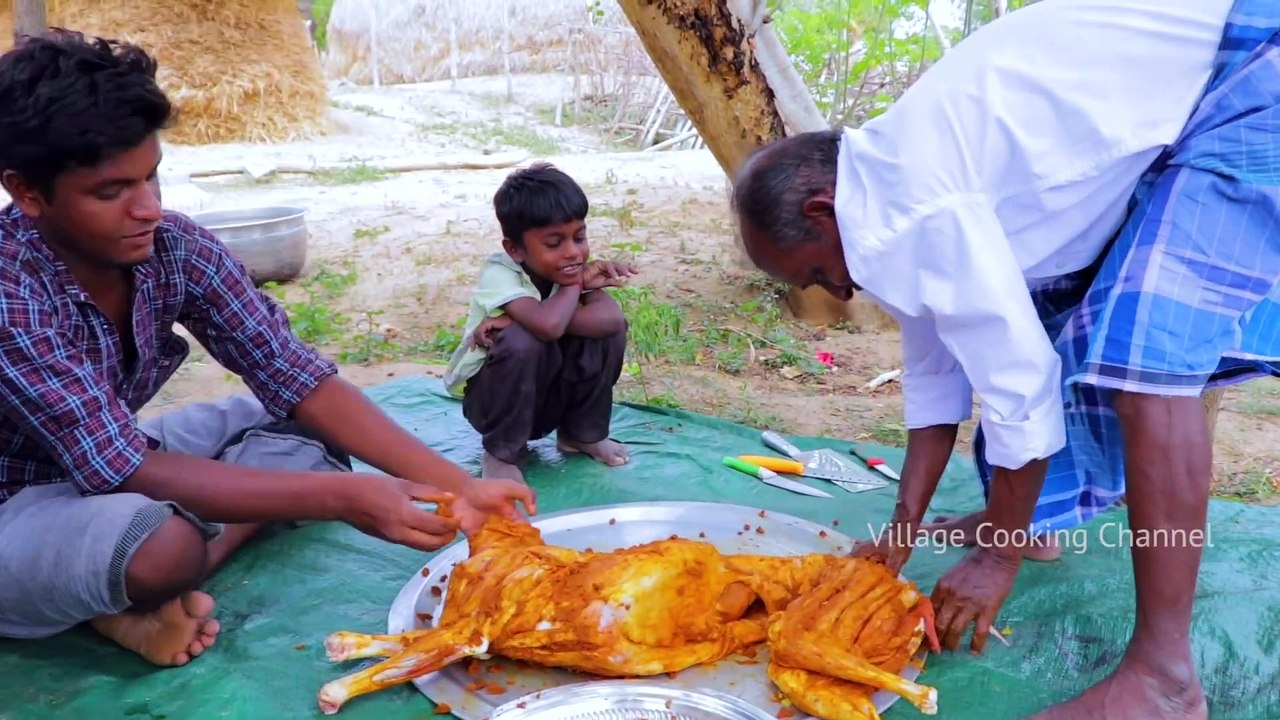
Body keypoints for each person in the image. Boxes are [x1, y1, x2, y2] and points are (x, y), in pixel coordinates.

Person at [728, 0, 1280, 717]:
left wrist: (997, 558)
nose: (832, 290)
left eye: (813, 272)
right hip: (1189, 97)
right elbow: (937, 379)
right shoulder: (890, 192)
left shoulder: (912, 205)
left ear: (821, 212)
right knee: (1051, 321)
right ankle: (1026, 519)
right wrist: (902, 529)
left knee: (1146, 364)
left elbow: (1020, 387)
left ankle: (1166, 679)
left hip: (1249, 70)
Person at [0, 31, 535, 669]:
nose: (147, 208)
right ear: (28, 192)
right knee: (160, 547)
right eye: (111, 192)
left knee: (307, 423)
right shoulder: (10, 287)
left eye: (152, 177)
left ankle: (134, 590)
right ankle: (143, 586)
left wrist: (456, 486)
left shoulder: (172, 246)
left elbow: (295, 377)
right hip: (19, 499)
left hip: (104, 458)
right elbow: (123, 471)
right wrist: (346, 497)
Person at [442, 163, 635, 483]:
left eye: (579, 236)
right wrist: (575, 287)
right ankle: (501, 453)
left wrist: (562, 298)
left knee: (604, 334)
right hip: (494, 406)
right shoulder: (500, 274)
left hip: (551, 400)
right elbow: (547, 327)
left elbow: (610, 321)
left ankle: (580, 434)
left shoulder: (568, 269)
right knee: (524, 339)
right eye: (554, 243)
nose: (573, 253)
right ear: (514, 249)